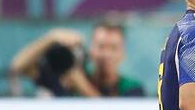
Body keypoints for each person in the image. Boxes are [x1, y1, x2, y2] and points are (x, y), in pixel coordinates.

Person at [10, 21, 145, 97]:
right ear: (91, 49)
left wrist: (81, 85)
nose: (106, 54)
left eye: (113, 48)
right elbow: (18, 65)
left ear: (122, 53)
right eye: (101, 47)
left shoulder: (132, 88)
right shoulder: (68, 77)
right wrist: (52, 37)